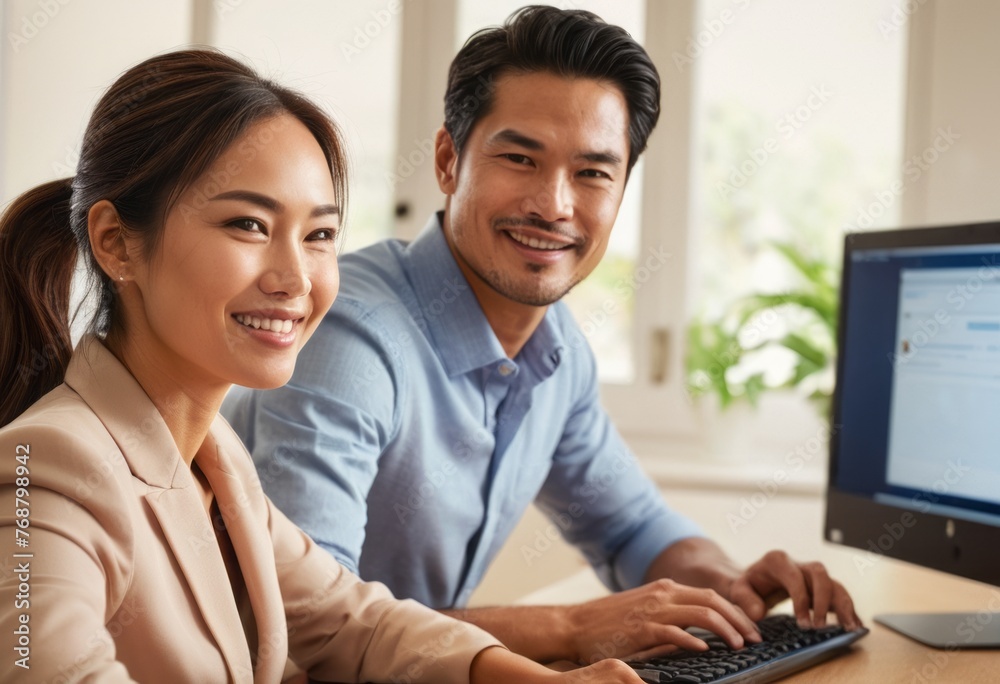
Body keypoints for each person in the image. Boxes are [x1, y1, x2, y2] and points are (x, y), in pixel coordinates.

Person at [223, 4, 861, 666]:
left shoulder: (557, 351)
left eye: (592, 173)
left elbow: (633, 527)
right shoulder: (350, 337)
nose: (554, 204)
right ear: (448, 160)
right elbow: (307, 620)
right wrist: (570, 628)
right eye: (521, 158)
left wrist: (727, 588)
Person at [0, 48, 647, 682]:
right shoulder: (49, 468)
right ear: (117, 243)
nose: (294, 279)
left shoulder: (215, 458)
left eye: (318, 236)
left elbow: (354, 624)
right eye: (249, 225)